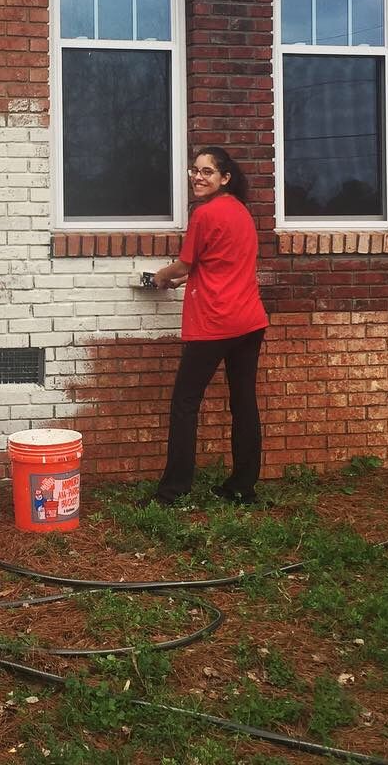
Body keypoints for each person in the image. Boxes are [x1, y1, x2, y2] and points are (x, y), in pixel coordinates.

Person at [146, 146, 268, 508]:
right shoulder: (241, 211)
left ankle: (173, 493)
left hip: (215, 322)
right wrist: (188, 278)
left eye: (207, 172)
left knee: (185, 403)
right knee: (243, 403)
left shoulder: (204, 213)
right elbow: (220, 264)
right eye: (195, 171)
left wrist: (161, 277)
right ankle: (242, 488)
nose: (198, 178)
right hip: (250, 321)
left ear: (225, 177)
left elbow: (183, 265)